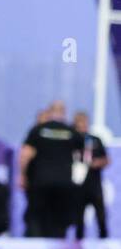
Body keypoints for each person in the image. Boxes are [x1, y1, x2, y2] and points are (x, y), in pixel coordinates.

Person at [20, 102, 81, 238]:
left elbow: (25, 154)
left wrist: (22, 175)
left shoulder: (38, 130)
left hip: (40, 181)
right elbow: (82, 156)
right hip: (63, 182)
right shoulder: (71, 132)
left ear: (49, 111)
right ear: (64, 112)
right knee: (59, 219)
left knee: (37, 217)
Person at [72, 110, 108, 239]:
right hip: (78, 186)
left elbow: (106, 159)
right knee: (79, 218)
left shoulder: (95, 140)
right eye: (79, 122)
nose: (83, 125)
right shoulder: (72, 139)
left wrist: (97, 163)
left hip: (94, 184)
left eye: (85, 121)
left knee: (101, 217)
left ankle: (105, 242)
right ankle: (78, 245)